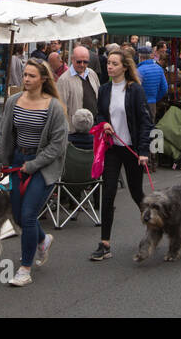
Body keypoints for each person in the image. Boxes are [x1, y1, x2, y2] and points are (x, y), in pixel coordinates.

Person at [0, 57, 67, 288]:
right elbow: (3, 136)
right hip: (17, 162)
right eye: (25, 75)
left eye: (31, 76)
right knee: (18, 214)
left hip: (42, 165)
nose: (26, 79)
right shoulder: (13, 101)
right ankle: (42, 240)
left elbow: (58, 144)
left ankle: (25, 268)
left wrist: (34, 164)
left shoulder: (53, 106)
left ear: (43, 79)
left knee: (29, 214)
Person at [89, 49, 153, 262]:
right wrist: (103, 122)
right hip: (113, 148)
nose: (109, 66)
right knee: (107, 193)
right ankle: (104, 243)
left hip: (132, 148)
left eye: (114, 64)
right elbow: (99, 113)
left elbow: (146, 121)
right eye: (108, 63)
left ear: (125, 67)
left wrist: (144, 151)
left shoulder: (135, 90)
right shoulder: (105, 89)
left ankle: (153, 229)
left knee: (136, 192)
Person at [57, 45, 100, 117]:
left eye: (85, 62)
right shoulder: (64, 80)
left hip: (94, 124)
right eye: (79, 62)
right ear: (72, 59)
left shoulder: (92, 74)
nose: (82, 65)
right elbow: (61, 109)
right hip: (75, 126)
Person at [136, 43, 169, 122]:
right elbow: (164, 88)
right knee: (150, 127)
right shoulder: (159, 68)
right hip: (152, 103)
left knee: (140, 128)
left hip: (140, 104)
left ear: (140, 57)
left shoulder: (139, 71)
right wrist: (155, 98)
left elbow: (135, 90)